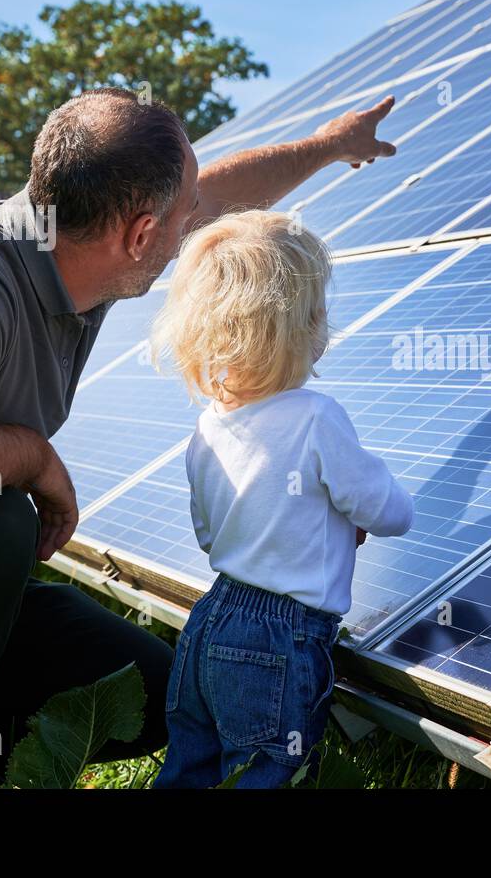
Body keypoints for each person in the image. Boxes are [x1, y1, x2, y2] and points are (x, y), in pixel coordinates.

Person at [0, 87, 397, 789]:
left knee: (144, 694)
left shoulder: (74, 247)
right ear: (142, 236)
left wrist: (328, 144)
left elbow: (219, 196)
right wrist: (34, 457)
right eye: (181, 220)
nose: (192, 228)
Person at [149, 211, 413, 788]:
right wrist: (361, 512)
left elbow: (211, 533)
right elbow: (387, 511)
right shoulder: (317, 418)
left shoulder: (208, 429)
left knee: (189, 767)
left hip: (210, 621)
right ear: (307, 325)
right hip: (281, 637)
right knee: (268, 774)